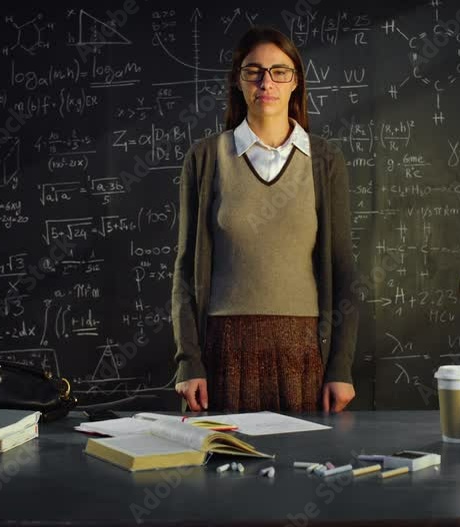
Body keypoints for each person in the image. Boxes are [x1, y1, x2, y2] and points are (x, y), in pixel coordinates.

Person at [171, 26, 359, 414]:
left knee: (302, 453)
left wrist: (340, 367)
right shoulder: (206, 159)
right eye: (253, 71)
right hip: (223, 352)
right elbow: (185, 272)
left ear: (296, 82)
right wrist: (189, 362)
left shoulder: (325, 161)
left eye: (279, 71)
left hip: (303, 353)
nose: (266, 82)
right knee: (226, 454)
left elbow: (343, 270)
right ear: (238, 81)